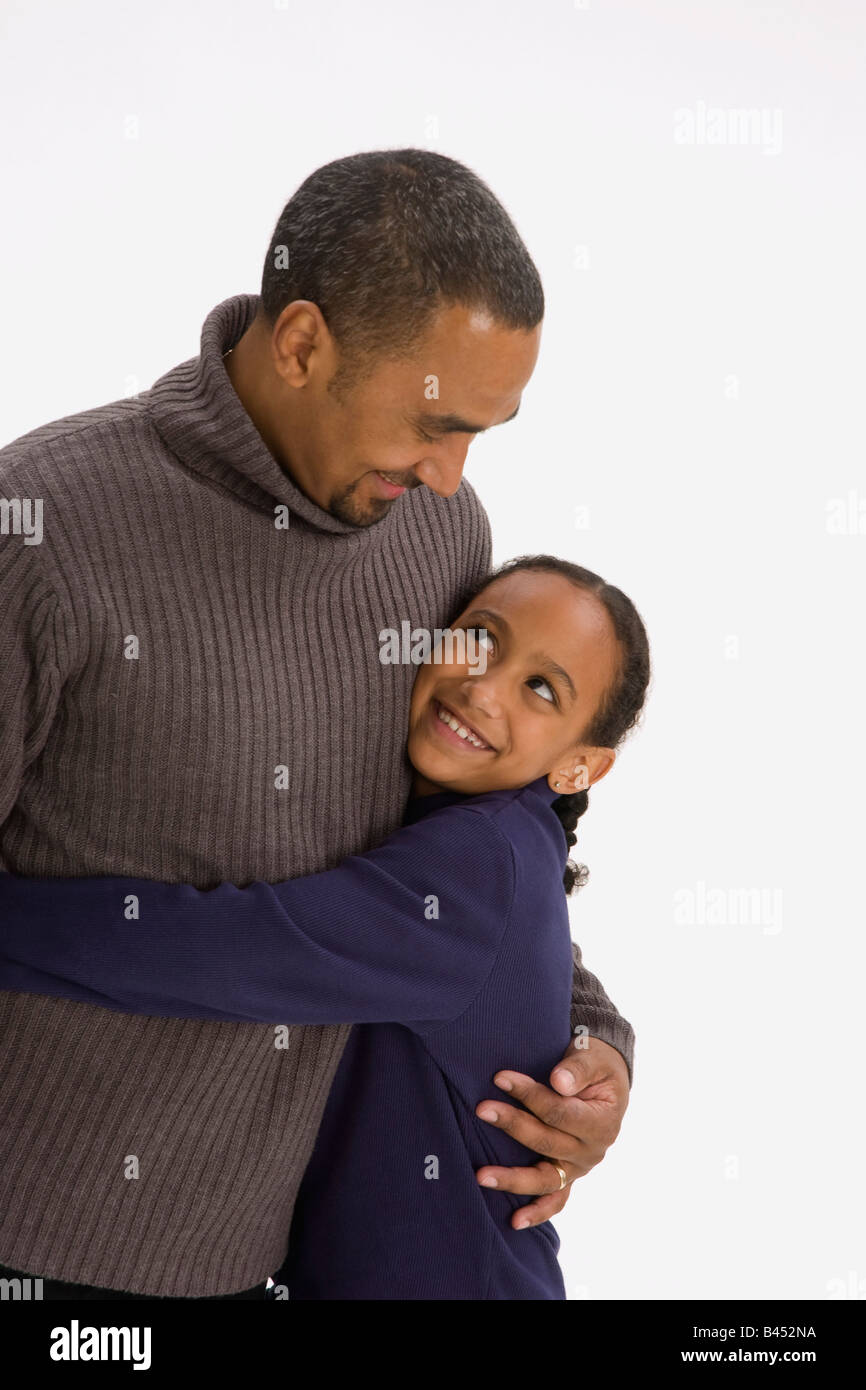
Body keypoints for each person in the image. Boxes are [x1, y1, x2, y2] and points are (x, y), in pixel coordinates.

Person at [0, 148, 633, 1299]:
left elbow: (458, 856)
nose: (451, 478)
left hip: (272, 1256)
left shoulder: (436, 537)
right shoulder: (42, 531)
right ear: (301, 345)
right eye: (434, 424)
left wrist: (590, 1051)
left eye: (482, 435)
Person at [0, 554, 650, 1299]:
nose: (482, 686)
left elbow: (233, 950)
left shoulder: (478, 859)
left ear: (578, 767)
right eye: (479, 639)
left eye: (541, 689)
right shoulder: (497, 835)